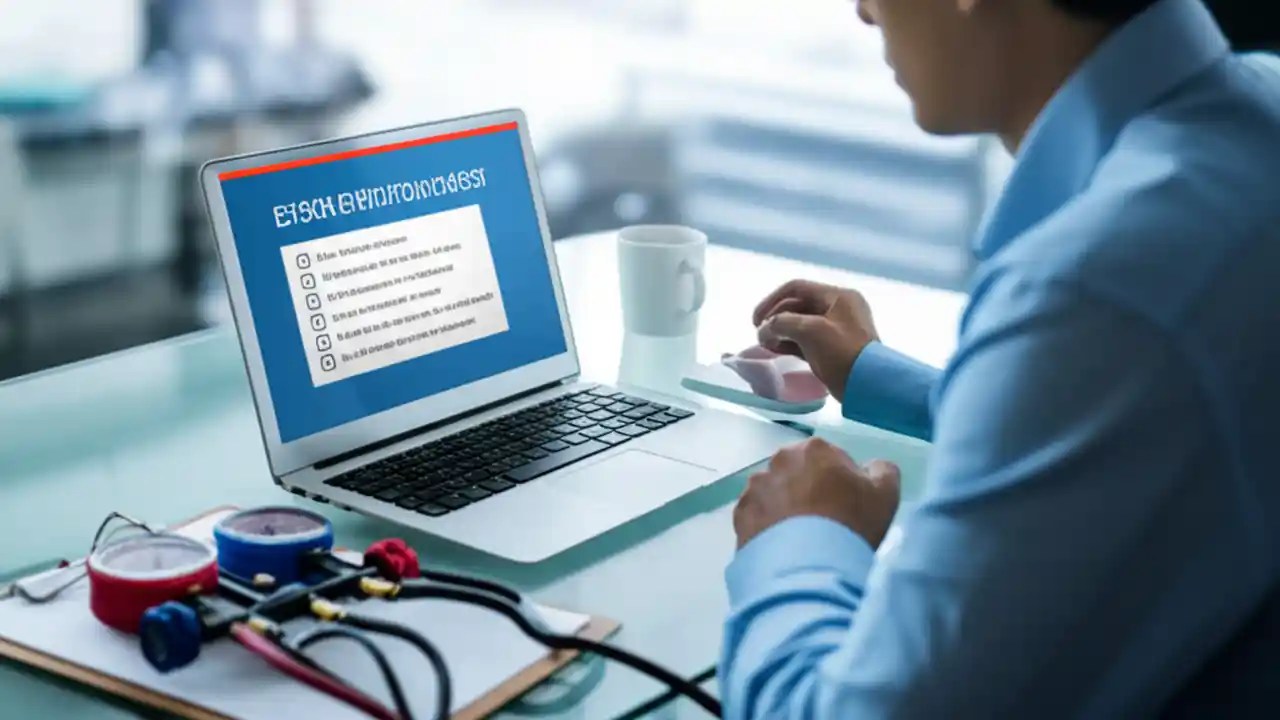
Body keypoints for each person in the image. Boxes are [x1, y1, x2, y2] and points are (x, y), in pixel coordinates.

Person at [721, 0, 1280, 717]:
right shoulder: (1257, 109)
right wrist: (875, 373)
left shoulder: (1100, 284)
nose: (862, 11)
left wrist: (797, 537)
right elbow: (1146, 411)